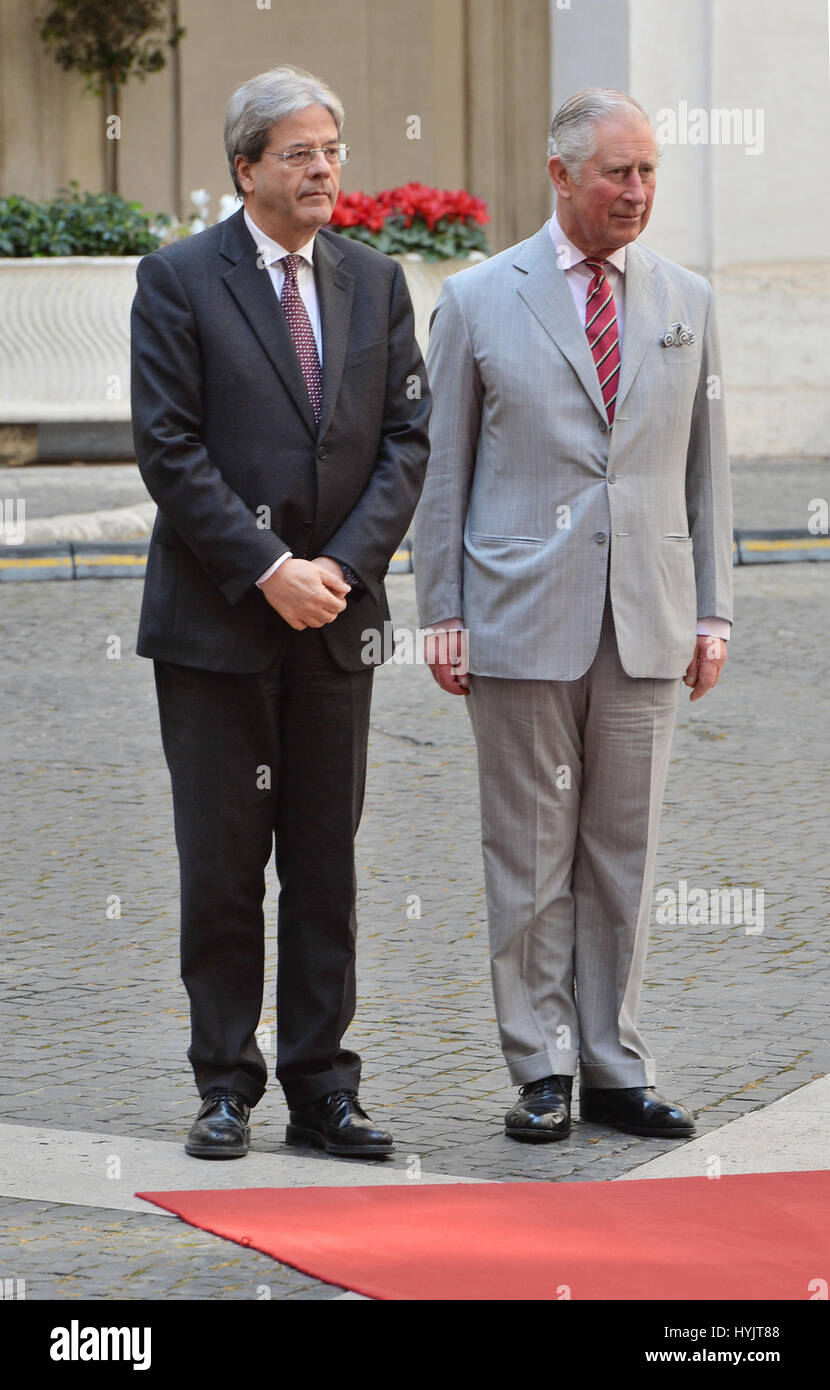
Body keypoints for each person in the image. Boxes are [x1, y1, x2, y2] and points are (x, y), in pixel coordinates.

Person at [415, 88, 732, 1143]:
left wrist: (712, 613)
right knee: (529, 851)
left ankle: (613, 1063)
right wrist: (441, 608)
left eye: (646, 172)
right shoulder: (474, 298)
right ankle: (540, 1064)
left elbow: (705, 476)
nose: (635, 192)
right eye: (615, 173)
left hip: (646, 618)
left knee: (622, 853)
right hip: (515, 615)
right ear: (559, 176)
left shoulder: (686, 298)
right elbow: (442, 472)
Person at [131, 64, 430, 1159]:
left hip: (335, 621)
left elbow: (407, 440)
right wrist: (267, 567)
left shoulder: (374, 280)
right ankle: (224, 1083)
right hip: (218, 625)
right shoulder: (176, 279)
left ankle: (320, 1086)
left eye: (333, 149)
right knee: (221, 866)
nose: (323, 169)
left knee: (323, 863)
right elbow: (168, 445)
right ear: (245, 166)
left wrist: (339, 569)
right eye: (299, 152)